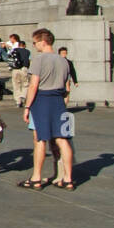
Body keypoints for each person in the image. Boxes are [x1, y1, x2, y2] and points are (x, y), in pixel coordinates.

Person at [22, 28, 75, 189]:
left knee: (39, 139)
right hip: (58, 100)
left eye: (35, 42)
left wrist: (27, 106)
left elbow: (33, 85)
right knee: (62, 139)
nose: (34, 45)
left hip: (42, 100)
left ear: (43, 42)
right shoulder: (64, 61)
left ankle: (36, 177)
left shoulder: (39, 60)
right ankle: (68, 178)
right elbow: (67, 86)